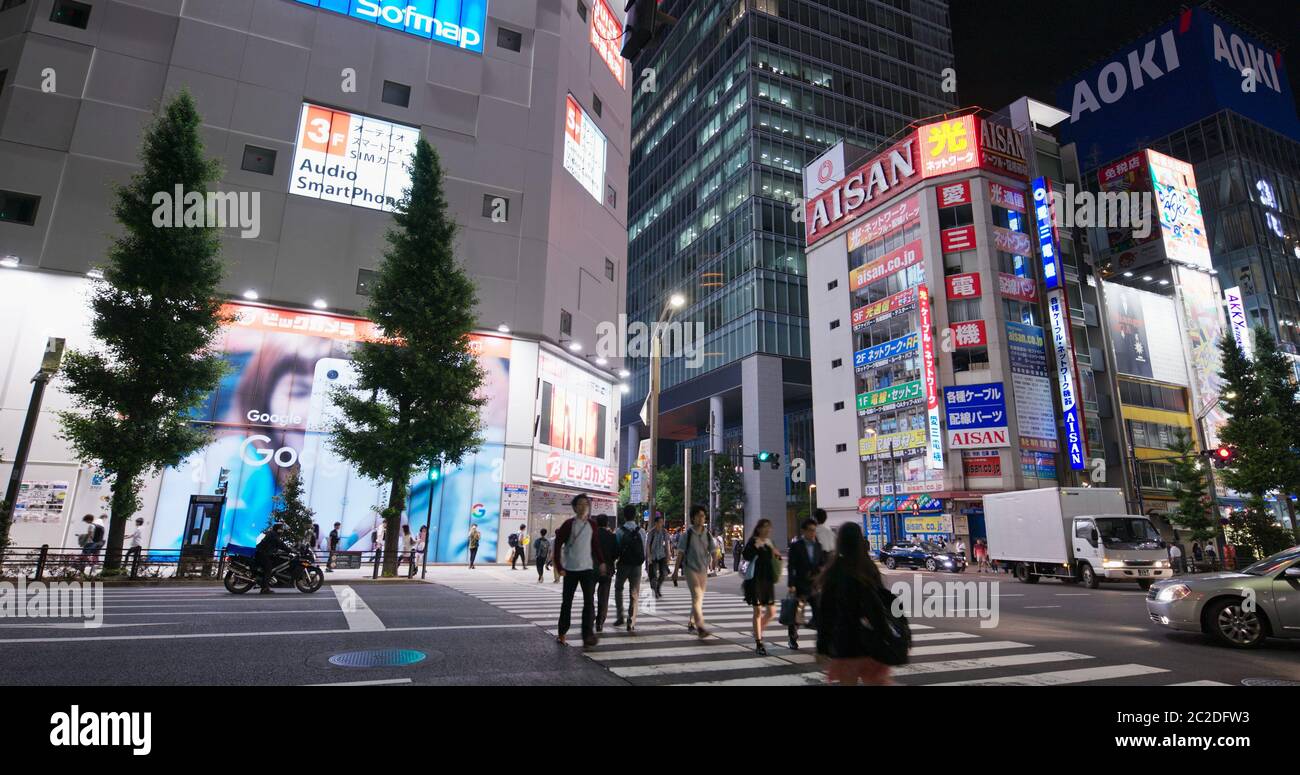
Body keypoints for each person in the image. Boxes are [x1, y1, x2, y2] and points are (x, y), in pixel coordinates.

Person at [815, 521, 895, 685]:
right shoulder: (868, 567)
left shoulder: (834, 571)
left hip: (845, 641)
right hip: (872, 640)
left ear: (840, 542)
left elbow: (825, 613)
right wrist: (887, 634)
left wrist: (822, 646)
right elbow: (881, 604)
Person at [553, 494, 606, 648]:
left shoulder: (592, 525)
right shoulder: (568, 524)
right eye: (580, 504)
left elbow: (596, 545)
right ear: (575, 507)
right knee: (566, 603)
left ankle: (587, 635)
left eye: (586, 504)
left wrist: (602, 562)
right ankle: (562, 632)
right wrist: (559, 566)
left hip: (587, 569)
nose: (584, 507)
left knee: (589, 603)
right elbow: (557, 545)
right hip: (570, 570)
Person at [672, 505, 714, 639]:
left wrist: (716, 560)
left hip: (703, 569)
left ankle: (691, 622)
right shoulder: (687, 535)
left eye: (703, 515)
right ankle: (700, 627)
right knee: (697, 596)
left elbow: (713, 550)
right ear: (693, 518)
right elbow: (680, 554)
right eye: (698, 515)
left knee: (698, 599)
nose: (701, 518)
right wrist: (675, 572)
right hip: (690, 569)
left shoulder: (707, 534)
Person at [741, 518, 781, 654]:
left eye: (769, 527)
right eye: (764, 527)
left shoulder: (770, 543)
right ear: (759, 529)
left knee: (772, 612)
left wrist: (777, 555)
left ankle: (757, 630)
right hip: (755, 580)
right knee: (758, 611)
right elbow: (746, 555)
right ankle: (759, 643)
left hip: (767, 580)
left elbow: (776, 559)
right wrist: (756, 547)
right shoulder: (753, 541)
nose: (767, 529)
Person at [786, 518, 826, 650]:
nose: (812, 533)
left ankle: (821, 642)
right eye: (810, 530)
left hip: (814, 585)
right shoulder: (796, 546)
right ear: (803, 531)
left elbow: (821, 564)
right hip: (799, 585)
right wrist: (791, 584)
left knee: (819, 612)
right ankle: (793, 637)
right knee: (796, 614)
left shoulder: (818, 546)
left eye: (814, 530)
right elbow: (791, 566)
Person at [613, 504, 645, 632]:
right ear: (635, 515)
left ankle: (620, 615)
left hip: (623, 565)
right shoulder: (641, 531)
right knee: (634, 593)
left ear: (625, 516)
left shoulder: (620, 531)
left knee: (618, 588)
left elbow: (616, 549)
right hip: (637, 565)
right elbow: (643, 548)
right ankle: (630, 621)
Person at [593, 515, 618, 633]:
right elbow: (616, 553)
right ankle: (600, 622)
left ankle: (590, 616)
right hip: (607, 569)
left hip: (592, 569)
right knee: (603, 597)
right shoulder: (612, 536)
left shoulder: (592, 535)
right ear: (607, 523)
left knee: (589, 595)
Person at [255, 521, 292, 594]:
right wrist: (289, 550)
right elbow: (280, 544)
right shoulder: (274, 535)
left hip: (263, 552)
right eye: (281, 529)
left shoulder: (272, 533)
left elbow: (278, 544)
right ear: (278, 529)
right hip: (262, 553)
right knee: (268, 568)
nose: (282, 531)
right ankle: (264, 588)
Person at [645, 514, 671, 599]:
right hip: (653, 555)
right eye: (660, 522)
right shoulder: (651, 532)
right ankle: (655, 591)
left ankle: (658, 588)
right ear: (655, 523)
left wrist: (668, 555)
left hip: (662, 555)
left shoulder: (665, 532)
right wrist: (649, 557)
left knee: (664, 573)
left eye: (662, 522)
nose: (661, 524)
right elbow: (648, 545)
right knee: (654, 575)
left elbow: (667, 544)